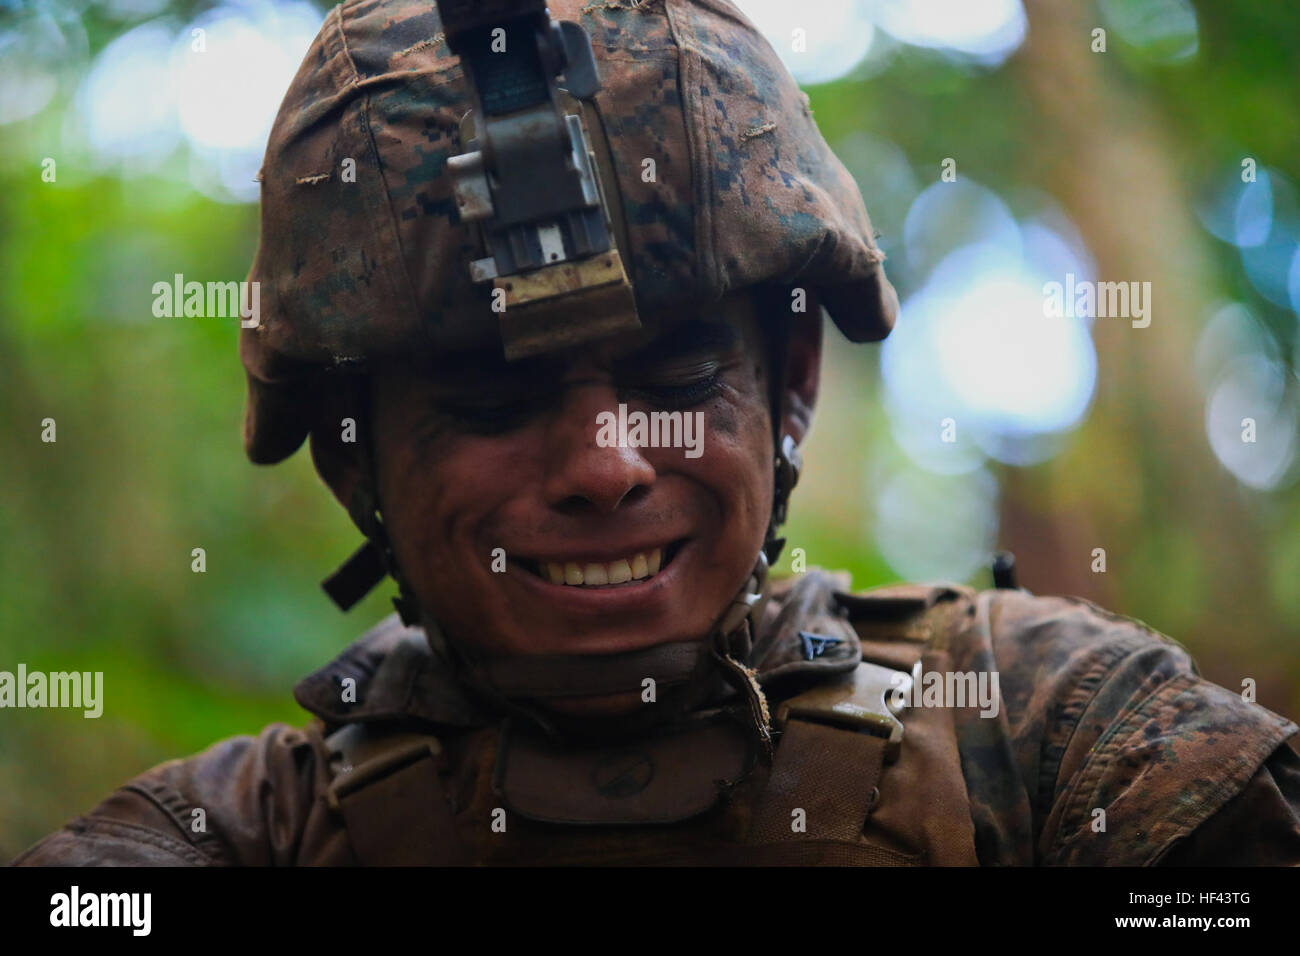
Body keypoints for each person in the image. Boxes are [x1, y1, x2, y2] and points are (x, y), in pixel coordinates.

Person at [14, 0, 1300, 866]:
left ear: (788, 384)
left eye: (678, 369)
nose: (604, 466)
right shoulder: (241, 834)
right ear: (357, 461)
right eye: (493, 398)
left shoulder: (1047, 722)